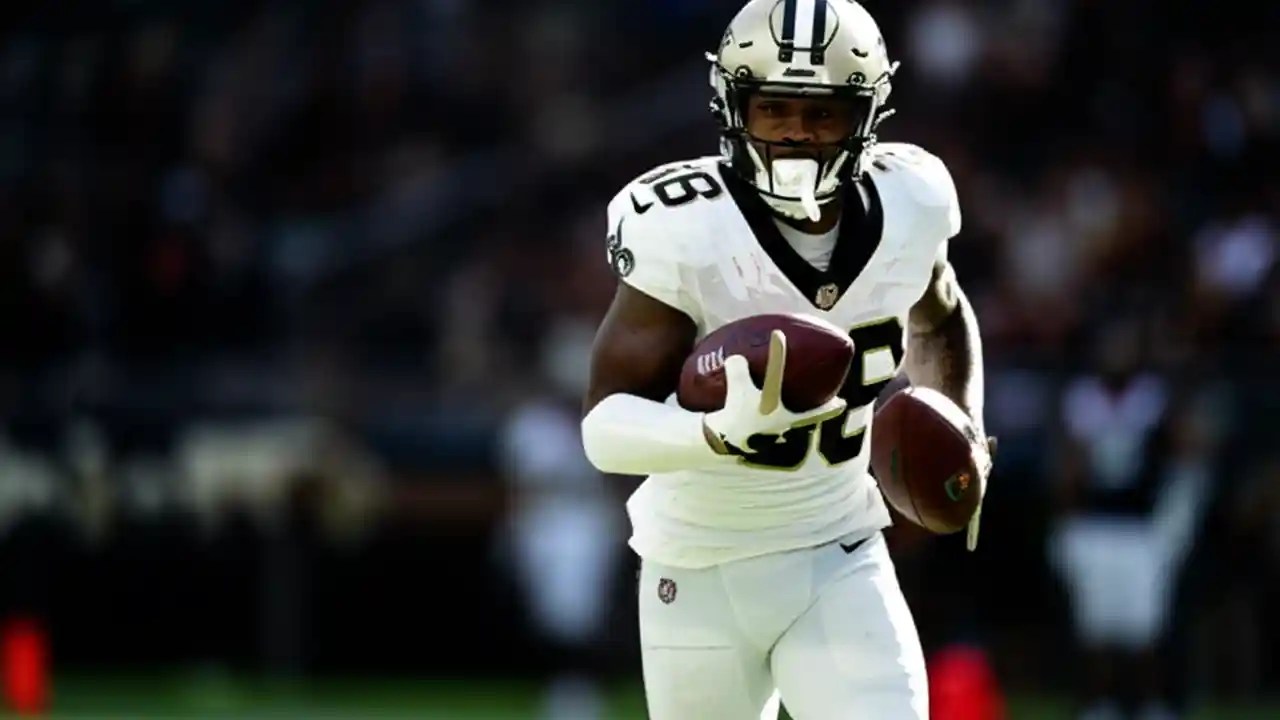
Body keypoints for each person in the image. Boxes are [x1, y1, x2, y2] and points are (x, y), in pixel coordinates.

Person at [580, 1, 994, 718]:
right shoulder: (685, 224)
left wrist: (961, 423)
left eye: (822, 112)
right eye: (774, 108)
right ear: (734, 106)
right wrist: (711, 435)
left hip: (837, 550)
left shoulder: (911, 204)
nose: (797, 134)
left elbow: (943, 318)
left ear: (865, 117)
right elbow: (601, 427)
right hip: (698, 568)